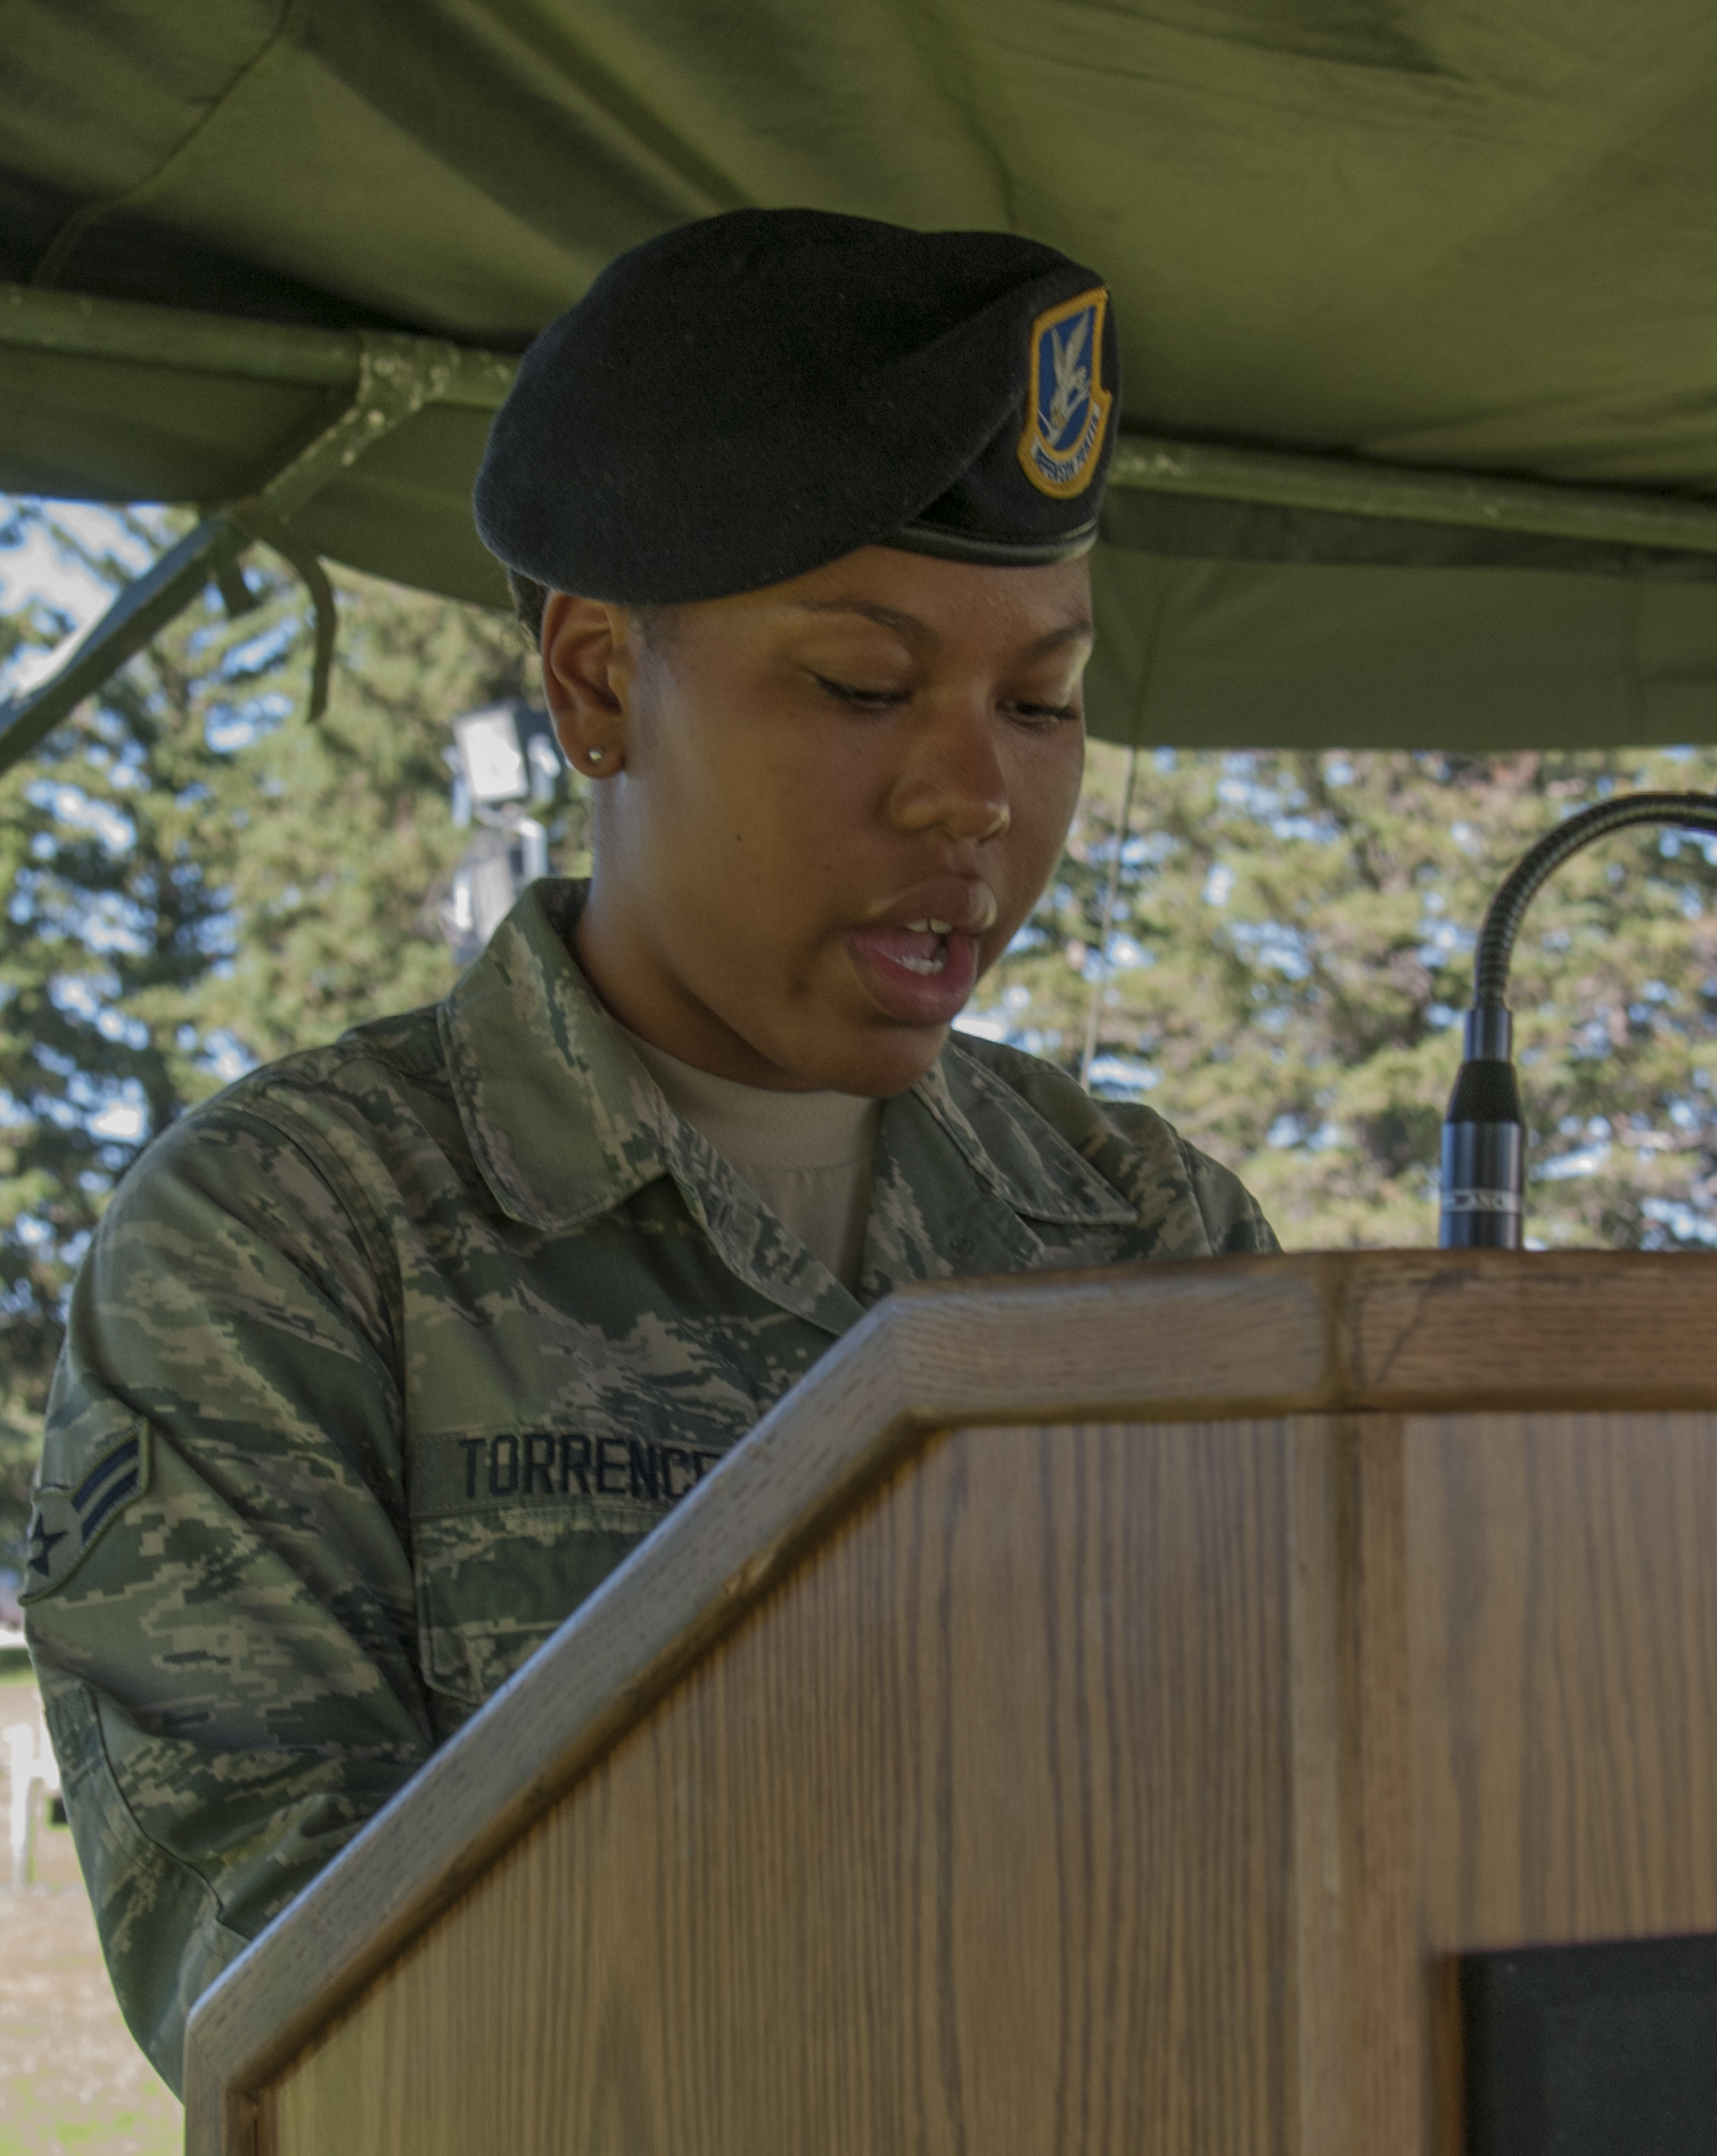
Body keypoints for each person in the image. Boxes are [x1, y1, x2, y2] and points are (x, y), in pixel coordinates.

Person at [22, 209, 1277, 2094]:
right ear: (597, 682)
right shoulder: (288, 1244)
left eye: (1044, 699)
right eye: (864, 686)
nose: (979, 792)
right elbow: (297, 2010)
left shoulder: (1144, 1231)